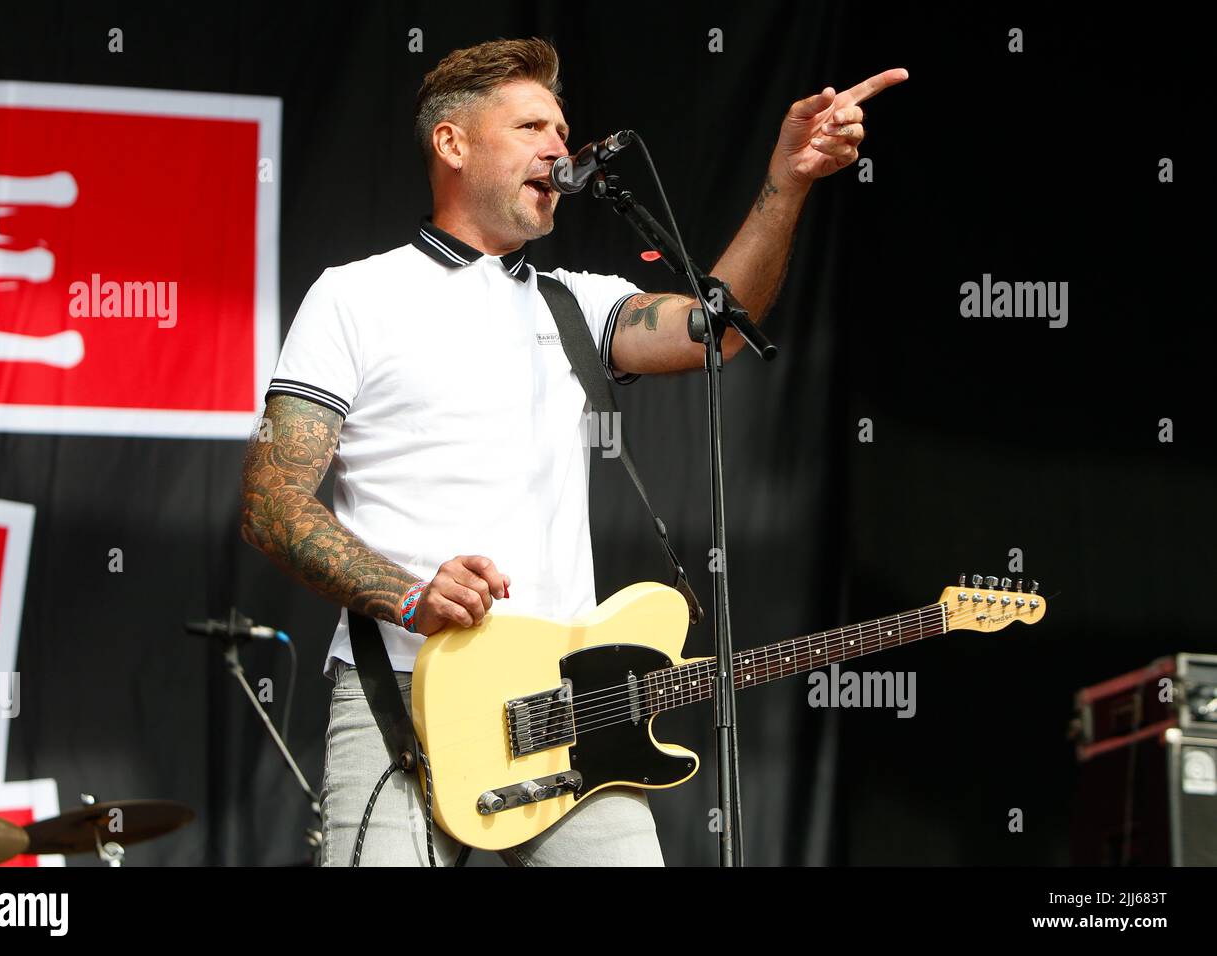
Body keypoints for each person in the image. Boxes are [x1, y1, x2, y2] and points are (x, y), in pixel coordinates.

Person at [240, 36, 906, 866]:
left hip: (568, 699)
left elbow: (718, 329)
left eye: (561, 128)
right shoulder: (354, 296)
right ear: (452, 145)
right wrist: (409, 595)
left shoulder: (576, 305)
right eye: (530, 127)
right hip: (401, 693)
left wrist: (789, 181)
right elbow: (272, 503)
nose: (559, 147)